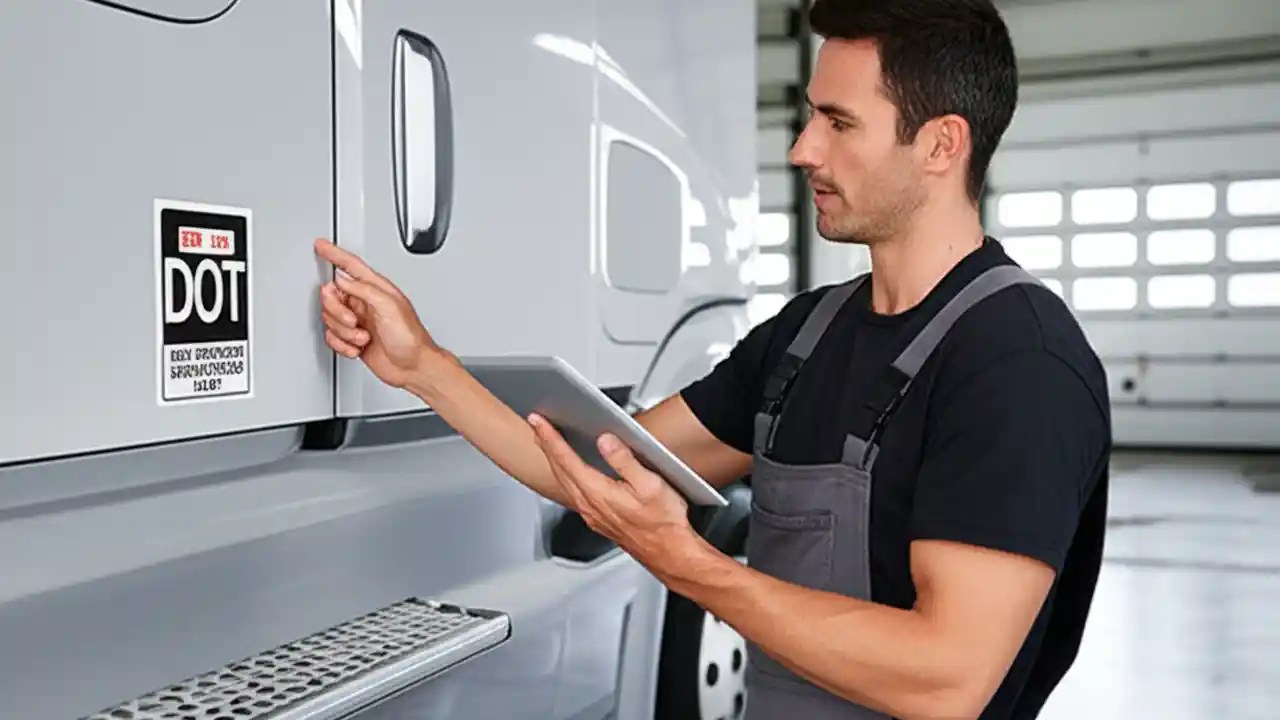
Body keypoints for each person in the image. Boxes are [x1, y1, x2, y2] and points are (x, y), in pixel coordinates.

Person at [314, 0, 1112, 717]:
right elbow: (597, 462)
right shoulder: (806, 336)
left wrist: (689, 563)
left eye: (839, 123)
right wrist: (421, 364)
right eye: (809, 117)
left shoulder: (1017, 366)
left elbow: (946, 680)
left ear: (941, 144)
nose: (802, 149)